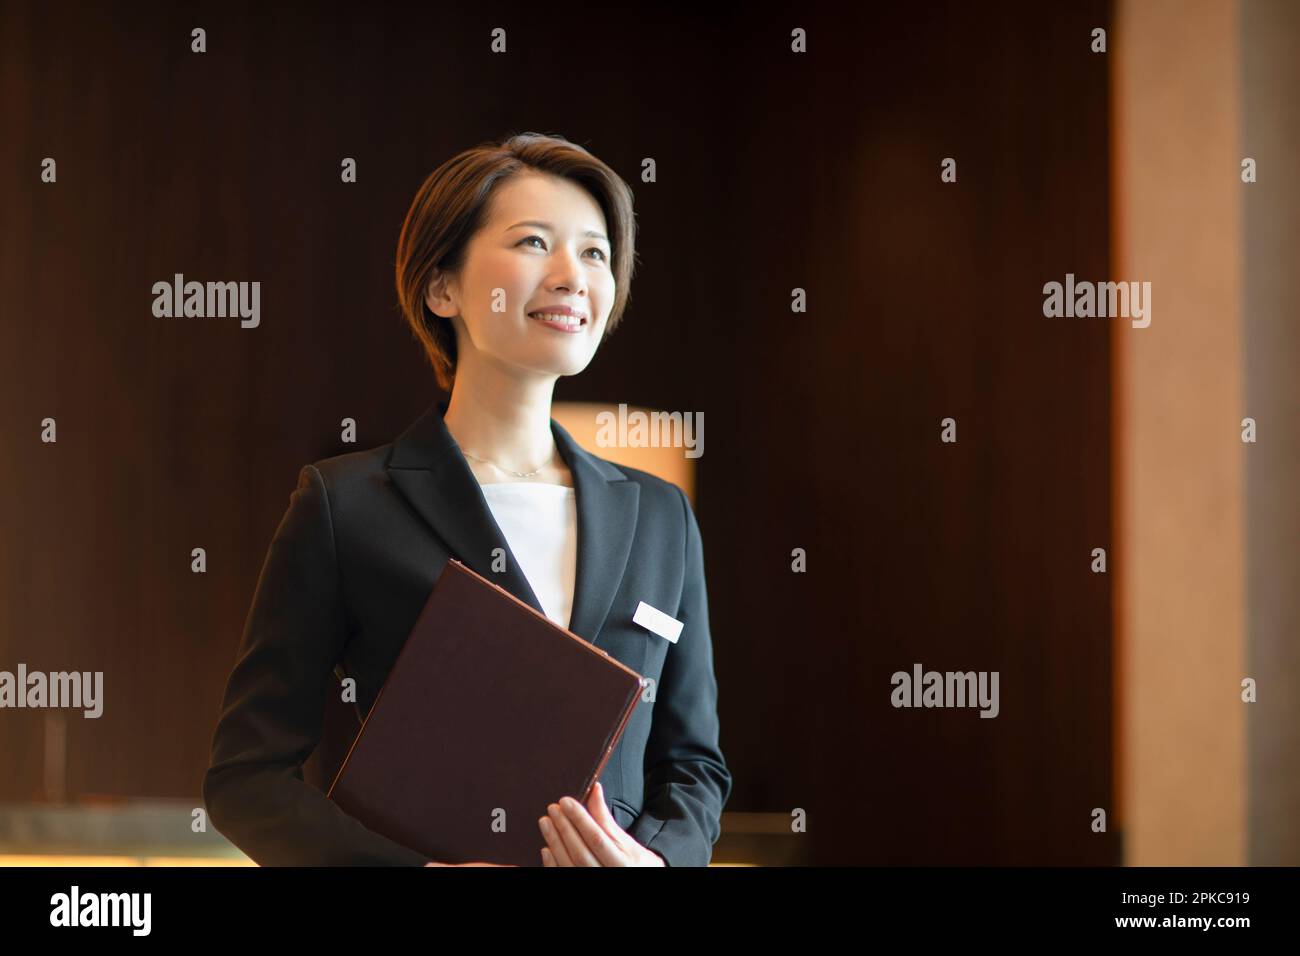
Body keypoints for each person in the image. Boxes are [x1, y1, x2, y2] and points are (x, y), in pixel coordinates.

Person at [201, 132, 732, 866]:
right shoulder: (346, 504)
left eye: (595, 252)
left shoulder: (660, 514)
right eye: (534, 242)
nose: (573, 275)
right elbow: (246, 780)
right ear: (441, 286)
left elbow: (694, 767)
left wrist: (659, 863)